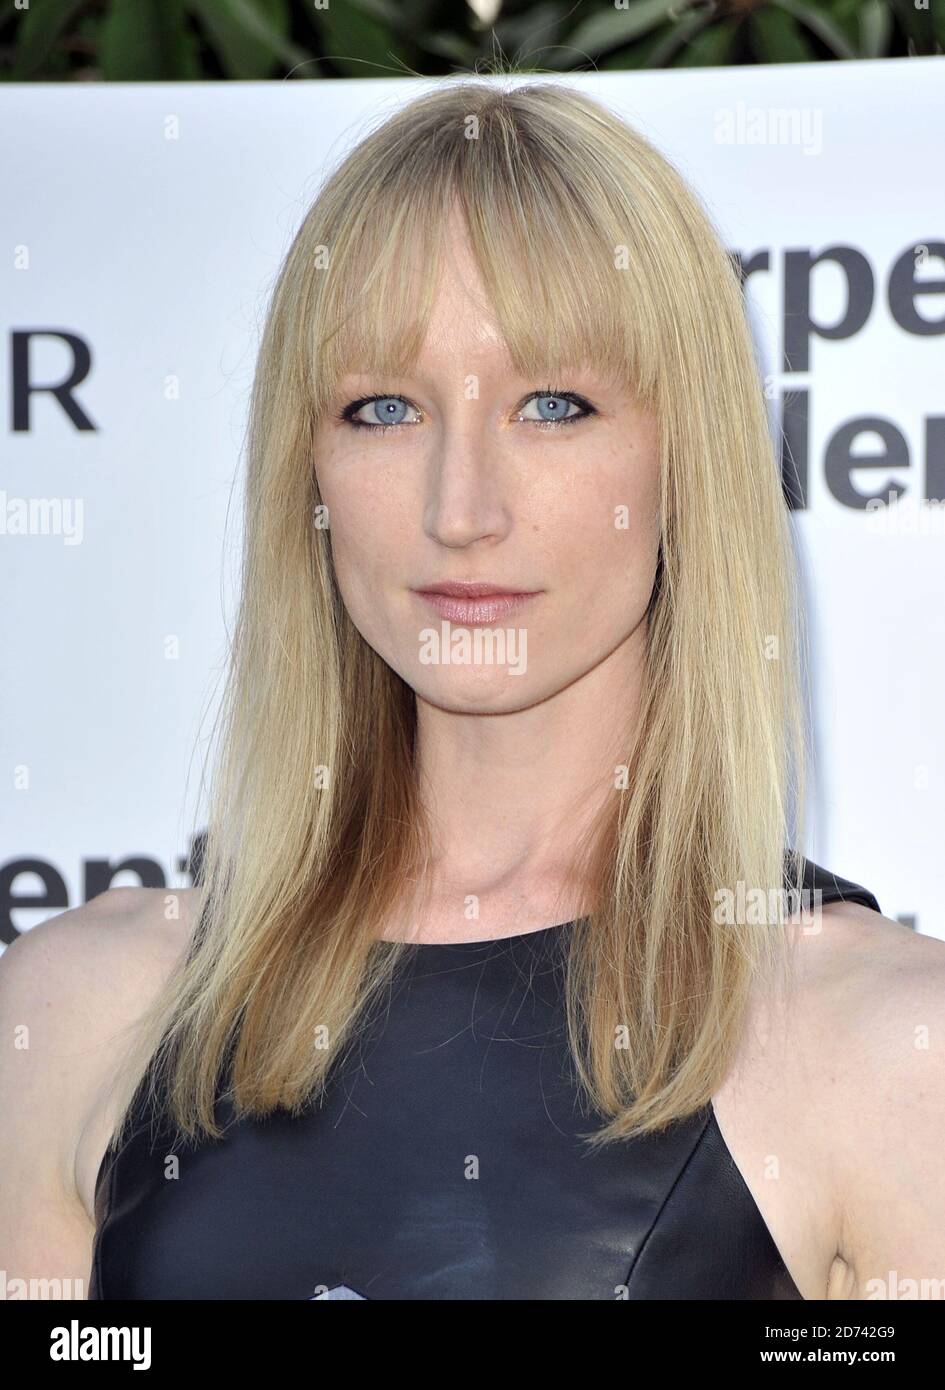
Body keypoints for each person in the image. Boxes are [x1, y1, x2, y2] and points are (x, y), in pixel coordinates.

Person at [2, 80, 943, 1302]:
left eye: (555, 405)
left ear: (686, 461)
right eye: (383, 407)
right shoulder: (76, 1013)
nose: (461, 509)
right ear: (313, 472)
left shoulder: (884, 1048)